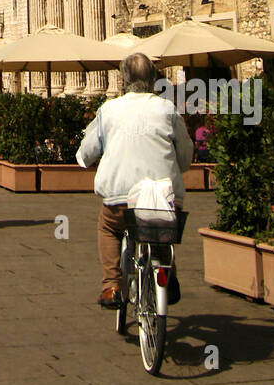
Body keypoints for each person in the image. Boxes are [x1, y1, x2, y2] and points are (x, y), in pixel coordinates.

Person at [76, 52, 194, 307]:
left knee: (108, 228)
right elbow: (185, 155)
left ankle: (111, 285)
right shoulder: (167, 109)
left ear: (122, 80)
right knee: (161, 227)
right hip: (164, 197)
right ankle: (168, 272)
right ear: (153, 80)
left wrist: (85, 161)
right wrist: (178, 166)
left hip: (120, 198)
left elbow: (87, 152)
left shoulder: (109, 109)